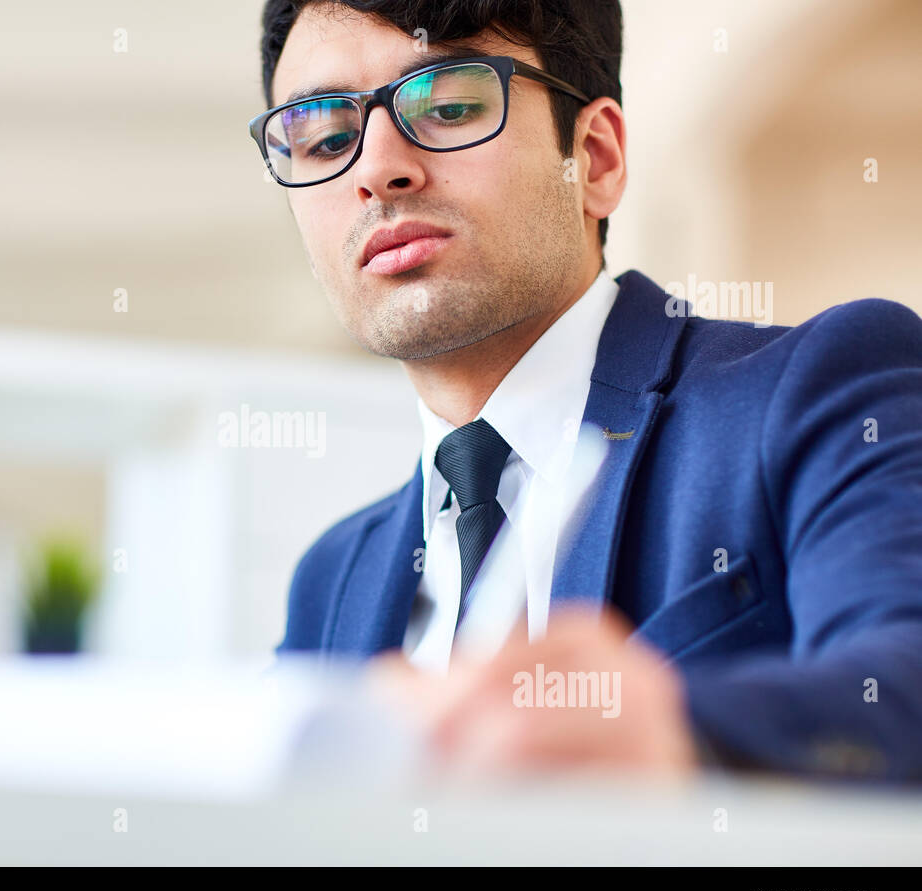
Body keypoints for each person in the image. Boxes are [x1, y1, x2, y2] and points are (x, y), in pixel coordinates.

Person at [252, 0, 922, 780]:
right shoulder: (332, 576)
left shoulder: (822, 388)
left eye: (450, 105)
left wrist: (678, 728)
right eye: (326, 136)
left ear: (595, 160)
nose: (375, 170)